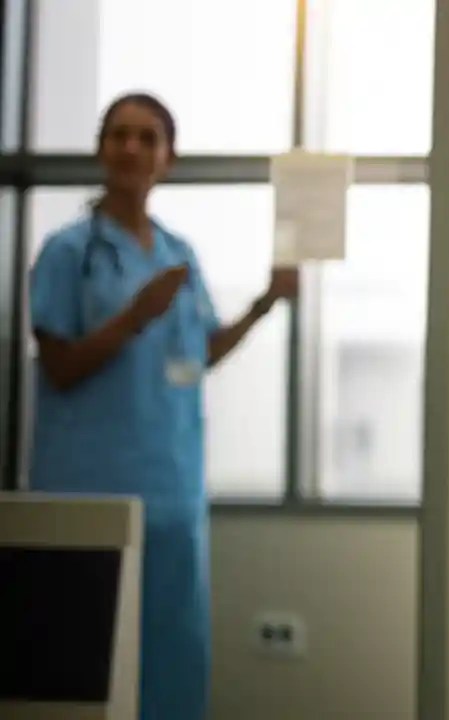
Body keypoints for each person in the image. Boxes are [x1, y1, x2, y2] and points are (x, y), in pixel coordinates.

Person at [27, 92, 296, 720]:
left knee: (172, 661)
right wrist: (132, 318)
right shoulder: (69, 252)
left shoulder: (179, 256)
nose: (132, 147)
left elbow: (198, 354)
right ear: (101, 150)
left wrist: (264, 303)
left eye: (148, 138)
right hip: (86, 494)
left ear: (167, 159)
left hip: (171, 497)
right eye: (120, 134)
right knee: (77, 666)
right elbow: (60, 368)